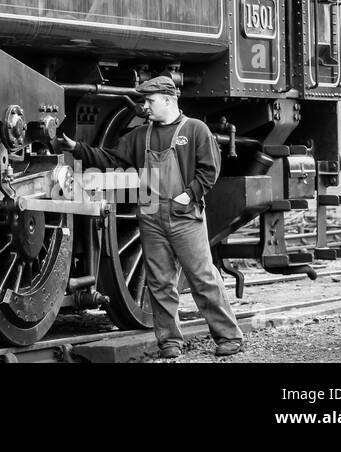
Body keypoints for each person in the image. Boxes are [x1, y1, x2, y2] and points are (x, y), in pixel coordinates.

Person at [58, 76, 243, 358]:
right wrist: (76, 148)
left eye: (150, 101)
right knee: (159, 282)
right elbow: (110, 159)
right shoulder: (140, 136)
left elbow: (209, 170)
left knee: (202, 277)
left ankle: (229, 336)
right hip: (152, 216)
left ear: (168, 100)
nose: (145, 106)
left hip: (184, 215)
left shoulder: (195, 130)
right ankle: (169, 341)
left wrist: (189, 195)